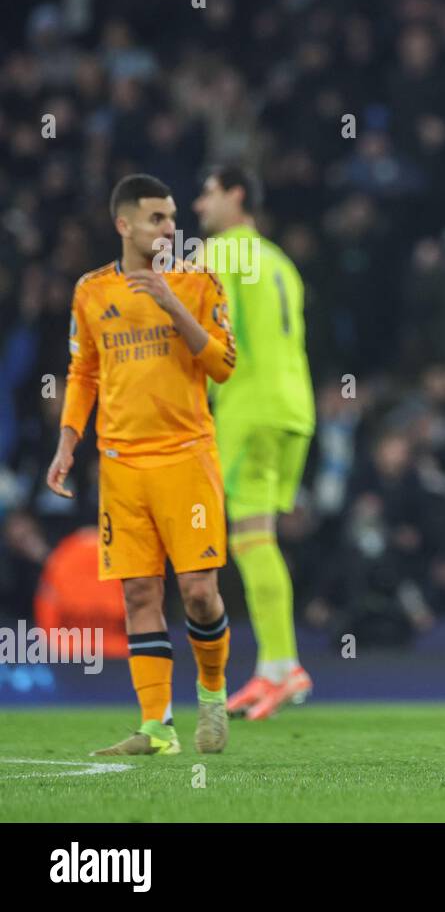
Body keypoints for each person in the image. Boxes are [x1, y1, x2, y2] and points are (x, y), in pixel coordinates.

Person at [47, 174, 237, 755]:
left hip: (185, 458)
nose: (170, 228)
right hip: (121, 466)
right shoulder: (91, 291)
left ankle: (212, 696)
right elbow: (83, 374)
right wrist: (67, 441)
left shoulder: (198, 281)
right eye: (157, 218)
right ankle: (156, 727)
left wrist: (171, 303)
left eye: (173, 217)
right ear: (123, 224)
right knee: (137, 596)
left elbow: (224, 365)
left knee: (200, 591)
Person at [194, 167, 316, 720]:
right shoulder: (280, 262)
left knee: (249, 541)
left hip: (248, 410)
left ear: (235, 194)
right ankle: (273, 668)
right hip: (294, 408)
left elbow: (217, 339)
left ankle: (284, 664)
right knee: (258, 538)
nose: (199, 206)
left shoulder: (219, 254)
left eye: (208, 193)